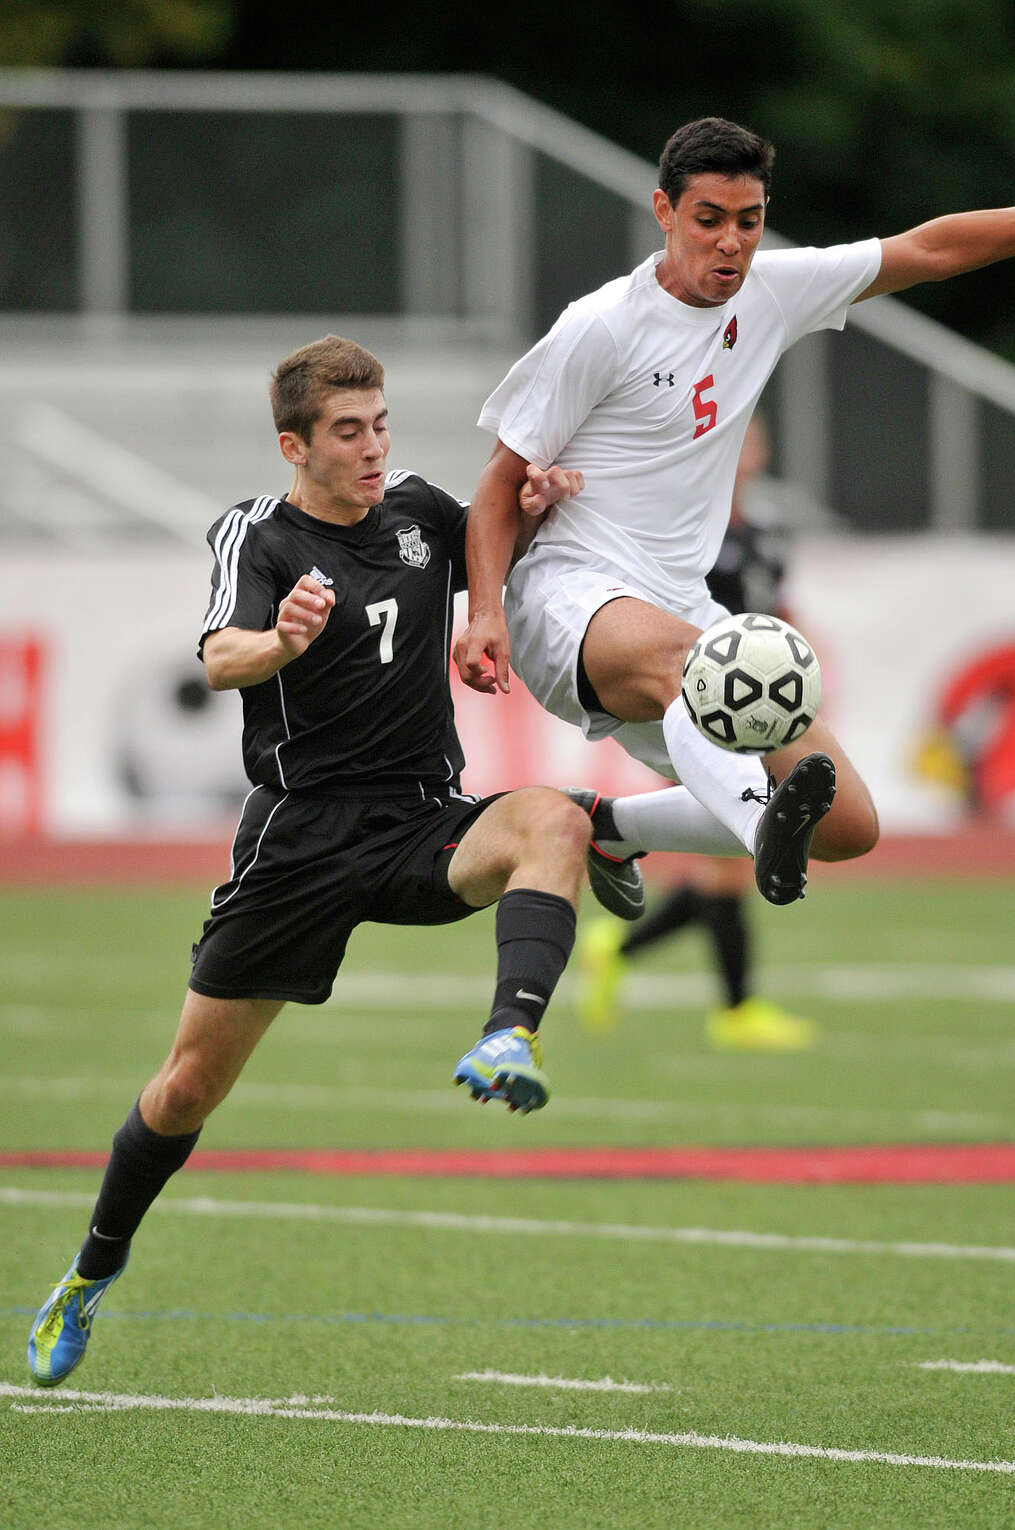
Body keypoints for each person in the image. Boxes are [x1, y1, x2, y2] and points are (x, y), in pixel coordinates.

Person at [26, 334, 606, 1389]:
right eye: (349, 431)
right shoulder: (258, 536)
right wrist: (282, 643)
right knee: (188, 1088)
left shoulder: (423, 514)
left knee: (554, 822)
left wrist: (545, 502)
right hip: (299, 841)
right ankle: (90, 1270)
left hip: (421, 820)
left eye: (381, 423)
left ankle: (509, 1038)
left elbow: (502, 537)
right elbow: (218, 658)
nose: (375, 446)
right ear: (295, 444)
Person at [453, 106, 1015, 909]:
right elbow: (497, 479)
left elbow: (930, 250)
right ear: (664, 212)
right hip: (571, 600)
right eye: (709, 219)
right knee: (693, 673)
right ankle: (762, 830)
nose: (731, 242)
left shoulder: (773, 292)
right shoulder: (602, 327)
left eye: (749, 221)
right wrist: (486, 613)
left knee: (847, 826)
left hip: (680, 612)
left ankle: (609, 826)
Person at [579, 414, 818, 1051]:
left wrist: (799, 698)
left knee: (735, 861)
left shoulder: (765, 532)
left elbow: (781, 618)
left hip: (762, 715)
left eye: (759, 438)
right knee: (740, 859)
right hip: (700, 711)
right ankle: (736, 1010)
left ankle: (622, 950)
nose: (753, 450)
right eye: (743, 438)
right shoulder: (689, 531)